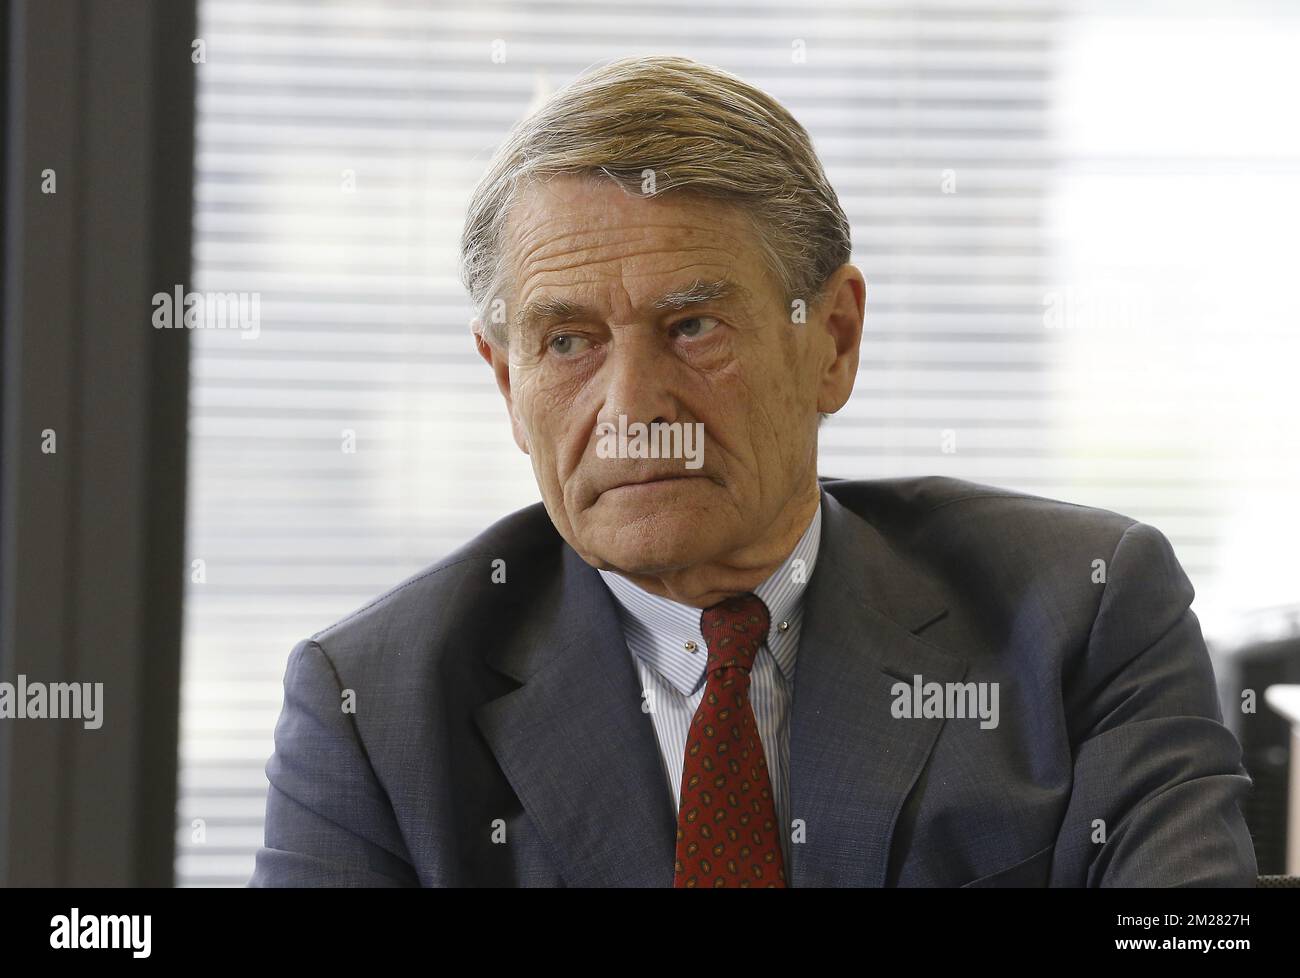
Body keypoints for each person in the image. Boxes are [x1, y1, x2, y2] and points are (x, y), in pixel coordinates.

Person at [249, 55, 1256, 887]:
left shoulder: (1080, 611)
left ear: (835, 340)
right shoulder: (371, 705)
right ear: (503, 380)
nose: (634, 408)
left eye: (691, 326)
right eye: (566, 342)